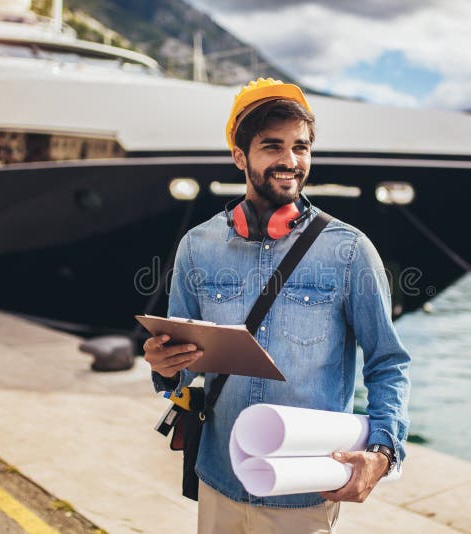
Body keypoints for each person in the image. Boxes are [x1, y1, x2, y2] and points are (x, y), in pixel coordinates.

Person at [144, 78, 411, 533]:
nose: (291, 160)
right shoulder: (197, 247)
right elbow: (182, 367)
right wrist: (166, 367)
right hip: (219, 479)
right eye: (273, 146)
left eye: (300, 147)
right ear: (240, 156)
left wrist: (382, 453)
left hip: (304, 490)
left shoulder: (350, 251)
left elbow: (388, 362)